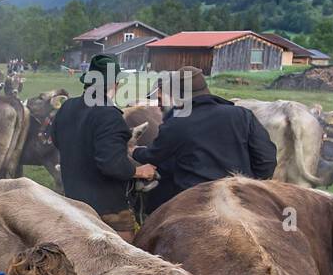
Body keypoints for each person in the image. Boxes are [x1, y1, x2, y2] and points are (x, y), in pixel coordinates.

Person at [132, 65, 277, 215]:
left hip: (194, 202)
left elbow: (155, 155)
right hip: (240, 198)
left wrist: (134, 151)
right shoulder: (243, 115)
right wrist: (249, 186)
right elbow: (266, 159)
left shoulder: (176, 123)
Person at [50, 53, 156, 241]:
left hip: (73, 203)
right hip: (108, 211)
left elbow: (58, 141)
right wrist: (140, 171)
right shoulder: (109, 115)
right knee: (125, 261)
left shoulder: (67, 108)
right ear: (115, 84)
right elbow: (112, 164)